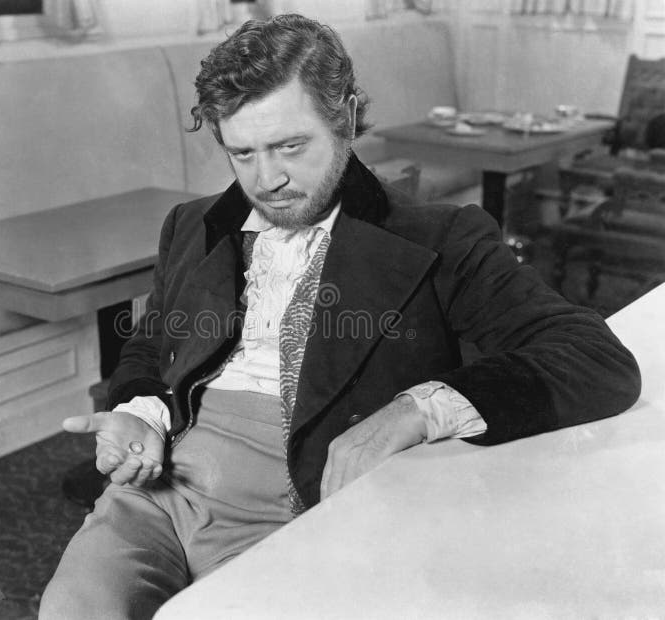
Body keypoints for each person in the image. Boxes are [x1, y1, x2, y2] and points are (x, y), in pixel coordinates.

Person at [40, 14, 640, 619]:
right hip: (157, 490)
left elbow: (594, 357)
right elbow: (150, 347)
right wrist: (140, 409)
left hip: (300, 506)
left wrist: (414, 411)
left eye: (290, 146)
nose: (266, 179)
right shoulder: (192, 225)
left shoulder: (442, 239)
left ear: (345, 118)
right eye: (242, 153)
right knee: (71, 611)